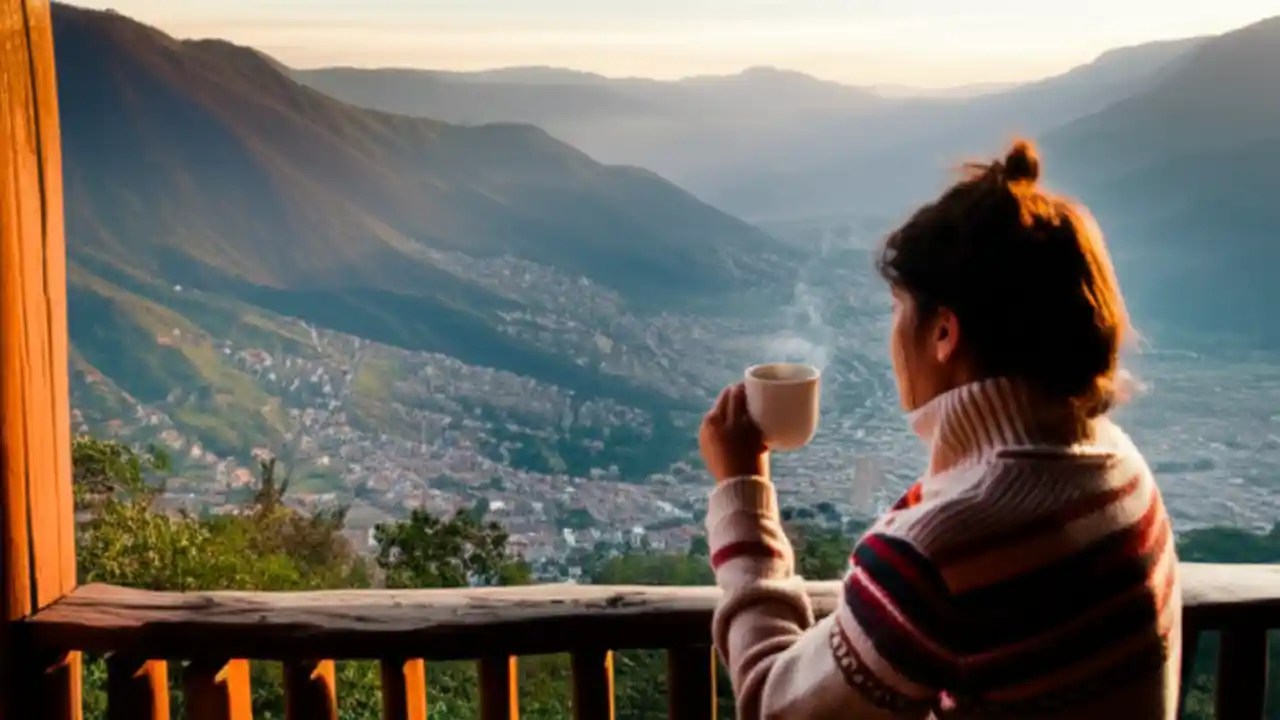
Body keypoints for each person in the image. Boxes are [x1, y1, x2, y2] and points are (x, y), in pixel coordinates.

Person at [699, 140, 1180, 719]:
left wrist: (740, 488)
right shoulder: (1121, 472)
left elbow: (773, 704)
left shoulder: (940, 553)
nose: (893, 333)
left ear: (944, 333)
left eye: (899, 308)